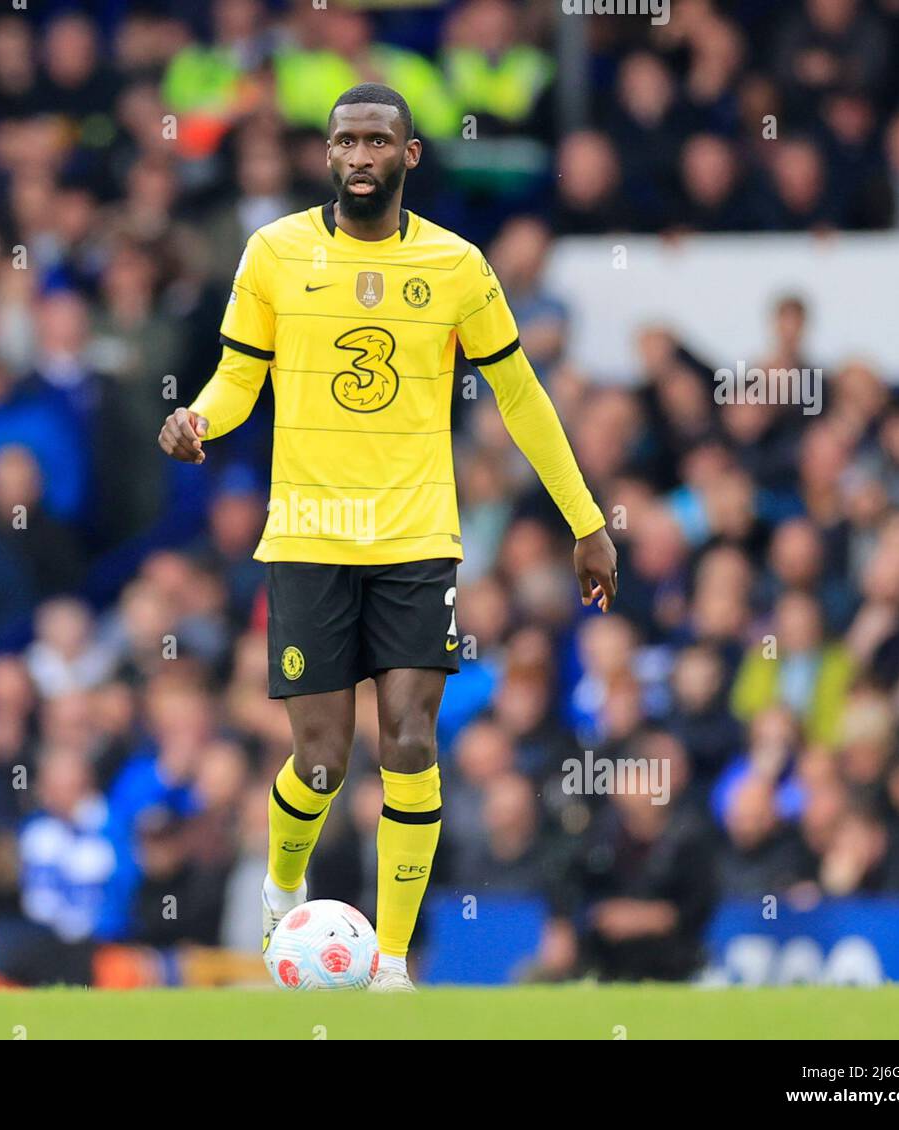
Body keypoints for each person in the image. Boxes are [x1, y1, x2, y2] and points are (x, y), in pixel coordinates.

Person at [158, 84, 617, 991]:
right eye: (345, 141)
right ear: (327, 155)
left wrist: (587, 520)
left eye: (377, 140)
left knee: (409, 740)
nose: (359, 154)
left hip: (415, 538)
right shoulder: (275, 253)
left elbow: (520, 395)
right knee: (322, 762)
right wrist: (199, 421)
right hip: (308, 537)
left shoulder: (456, 266)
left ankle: (394, 963)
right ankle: (283, 879)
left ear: (409, 155)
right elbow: (237, 380)